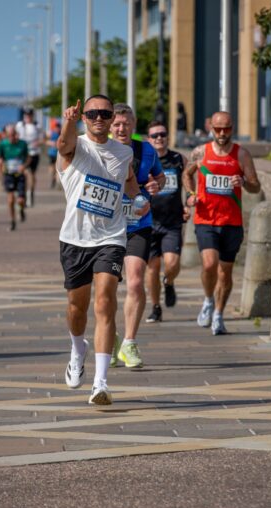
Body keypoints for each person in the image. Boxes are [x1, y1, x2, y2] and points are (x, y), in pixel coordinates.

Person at [57, 95, 145, 405]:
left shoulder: (124, 152)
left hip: (111, 237)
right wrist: (69, 119)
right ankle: (77, 348)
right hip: (74, 239)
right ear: (84, 118)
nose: (98, 118)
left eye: (104, 113)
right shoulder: (76, 146)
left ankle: (100, 383)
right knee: (76, 309)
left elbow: (129, 180)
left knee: (105, 302)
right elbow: (62, 146)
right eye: (92, 113)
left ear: (111, 118)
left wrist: (138, 199)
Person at [182, 111, 261, 335]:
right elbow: (186, 174)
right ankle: (208, 299)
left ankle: (218, 314)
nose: (222, 133)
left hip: (232, 222)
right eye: (218, 129)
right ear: (211, 128)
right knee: (209, 264)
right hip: (206, 219)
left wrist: (244, 181)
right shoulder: (200, 152)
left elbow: (256, 187)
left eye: (226, 128)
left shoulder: (241, 155)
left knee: (225, 273)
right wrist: (190, 194)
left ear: (232, 128)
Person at [109, 104, 165, 368]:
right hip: (106, 228)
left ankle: (129, 343)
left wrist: (155, 185)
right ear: (110, 126)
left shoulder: (146, 149)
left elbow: (160, 178)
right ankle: (110, 336)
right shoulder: (101, 150)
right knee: (105, 290)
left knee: (134, 283)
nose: (122, 129)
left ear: (134, 124)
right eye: (117, 124)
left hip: (138, 223)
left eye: (126, 124)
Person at [145, 120, 188, 323]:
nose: (159, 138)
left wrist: (189, 201)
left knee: (172, 263)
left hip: (172, 222)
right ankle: (155, 307)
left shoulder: (179, 159)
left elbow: (189, 183)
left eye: (162, 134)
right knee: (152, 268)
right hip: (148, 222)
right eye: (154, 136)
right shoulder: (144, 161)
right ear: (148, 139)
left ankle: (169, 282)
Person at [0, 124, 30, 231]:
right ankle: (12, 221)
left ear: (17, 135)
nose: (11, 138)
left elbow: (29, 158)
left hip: (20, 175)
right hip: (9, 174)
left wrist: (23, 166)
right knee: (10, 200)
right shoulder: (3, 144)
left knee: (20, 200)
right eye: (9, 136)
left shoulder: (23, 144)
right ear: (6, 136)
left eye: (13, 135)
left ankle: (21, 210)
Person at [16, 109, 43, 206]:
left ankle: (30, 192)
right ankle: (24, 194)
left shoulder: (37, 126)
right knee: (25, 174)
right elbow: (15, 137)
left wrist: (38, 143)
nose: (27, 117)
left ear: (32, 116)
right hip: (23, 154)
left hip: (34, 153)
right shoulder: (20, 125)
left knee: (32, 174)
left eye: (29, 115)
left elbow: (42, 139)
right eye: (26, 115)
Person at [47, 120, 61, 189]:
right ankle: (53, 178)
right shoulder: (52, 134)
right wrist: (51, 143)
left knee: (57, 168)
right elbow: (46, 141)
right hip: (52, 153)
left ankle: (57, 182)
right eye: (56, 127)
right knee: (52, 168)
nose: (57, 129)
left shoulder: (61, 134)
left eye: (58, 127)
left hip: (59, 154)